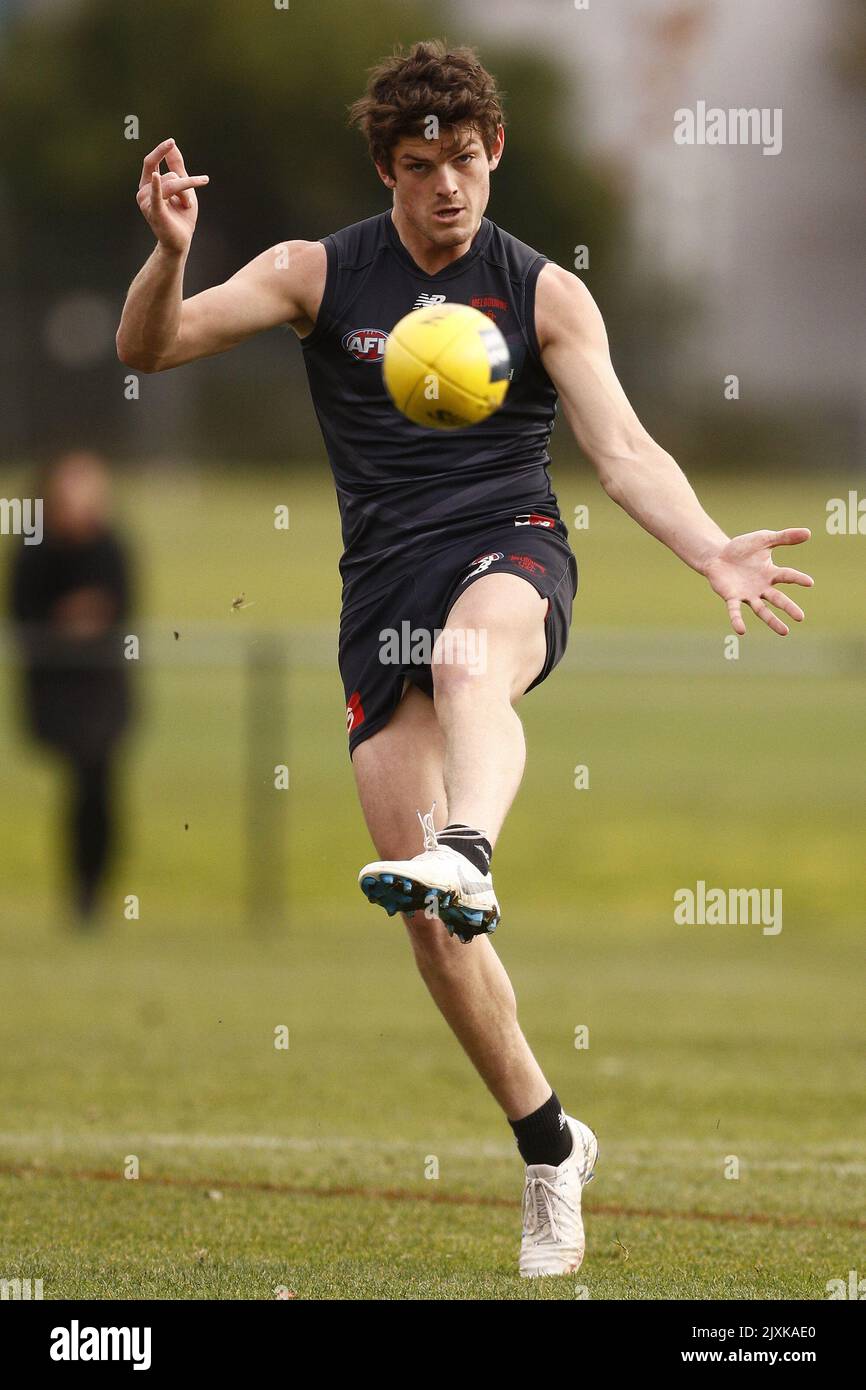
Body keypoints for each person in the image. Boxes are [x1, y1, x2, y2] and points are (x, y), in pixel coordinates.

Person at [115, 40, 812, 1277]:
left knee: (466, 659)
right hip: (377, 584)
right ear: (388, 167)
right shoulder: (314, 275)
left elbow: (626, 449)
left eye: (468, 159)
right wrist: (169, 255)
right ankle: (550, 1144)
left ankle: (471, 846)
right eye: (422, 164)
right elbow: (146, 352)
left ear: (496, 154)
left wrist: (709, 549)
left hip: (511, 548)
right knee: (431, 929)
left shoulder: (543, 293)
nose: (449, 186)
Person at [10, 450, 133, 924]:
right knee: (82, 781)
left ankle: (91, 893)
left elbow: (120, 608)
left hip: (101, 691)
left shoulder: (110, 546)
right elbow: (25, 616)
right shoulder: (35, 547)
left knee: (97, 786)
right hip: (54, 690)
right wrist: (69, 620)